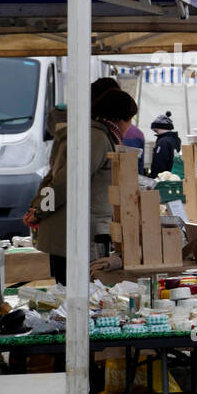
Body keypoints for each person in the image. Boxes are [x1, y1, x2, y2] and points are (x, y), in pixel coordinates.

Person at [26, 86, 137, 285]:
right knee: (79, 293)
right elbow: (65, 182)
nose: (130, 126)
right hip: (76, 234)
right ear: (119, 118)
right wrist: (41, 210)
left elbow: (55, 178)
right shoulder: (97, 138)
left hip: (78, 231)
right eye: (130, 119)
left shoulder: (96, 135)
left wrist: (40, 207)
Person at [148, 112, 182, 179]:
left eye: (155, 130)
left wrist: (154, 177)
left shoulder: (163, 142)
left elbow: (159, 163)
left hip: (162, 180)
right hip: (173, 177)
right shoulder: (176, 139)